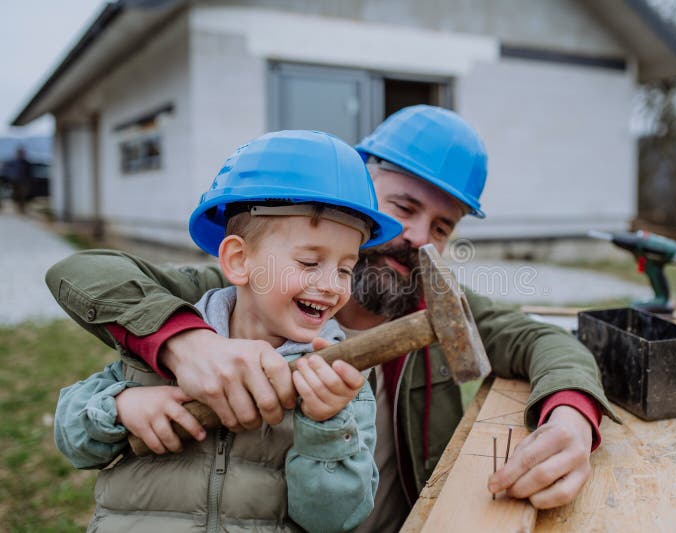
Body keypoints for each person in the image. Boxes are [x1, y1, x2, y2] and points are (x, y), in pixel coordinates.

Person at [47, 106, 620, 532]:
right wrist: (186, 346)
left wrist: (571, 417)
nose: (418, 238)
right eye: (404, 208)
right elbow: (83, 271)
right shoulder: (239, 292)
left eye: (442, 228)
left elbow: (541, 339)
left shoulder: (432, 303)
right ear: (359, 197)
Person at [53, 130, 403, 532]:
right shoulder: (161, 345)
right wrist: (118, 409)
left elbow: (334, 520)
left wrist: (326, 427)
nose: (332, 285)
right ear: (238, 261)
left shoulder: (340, 385)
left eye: (346, 268)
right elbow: (72, 439)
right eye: (309, 262)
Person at [7, 147, 33, 213]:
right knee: (16, 195)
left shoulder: (26, 163)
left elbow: (30, 173)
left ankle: (22, 208)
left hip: (23, 182)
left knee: (23, 195)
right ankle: (18, 208)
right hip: (15, 182)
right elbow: (9, 171)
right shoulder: (13, 162)